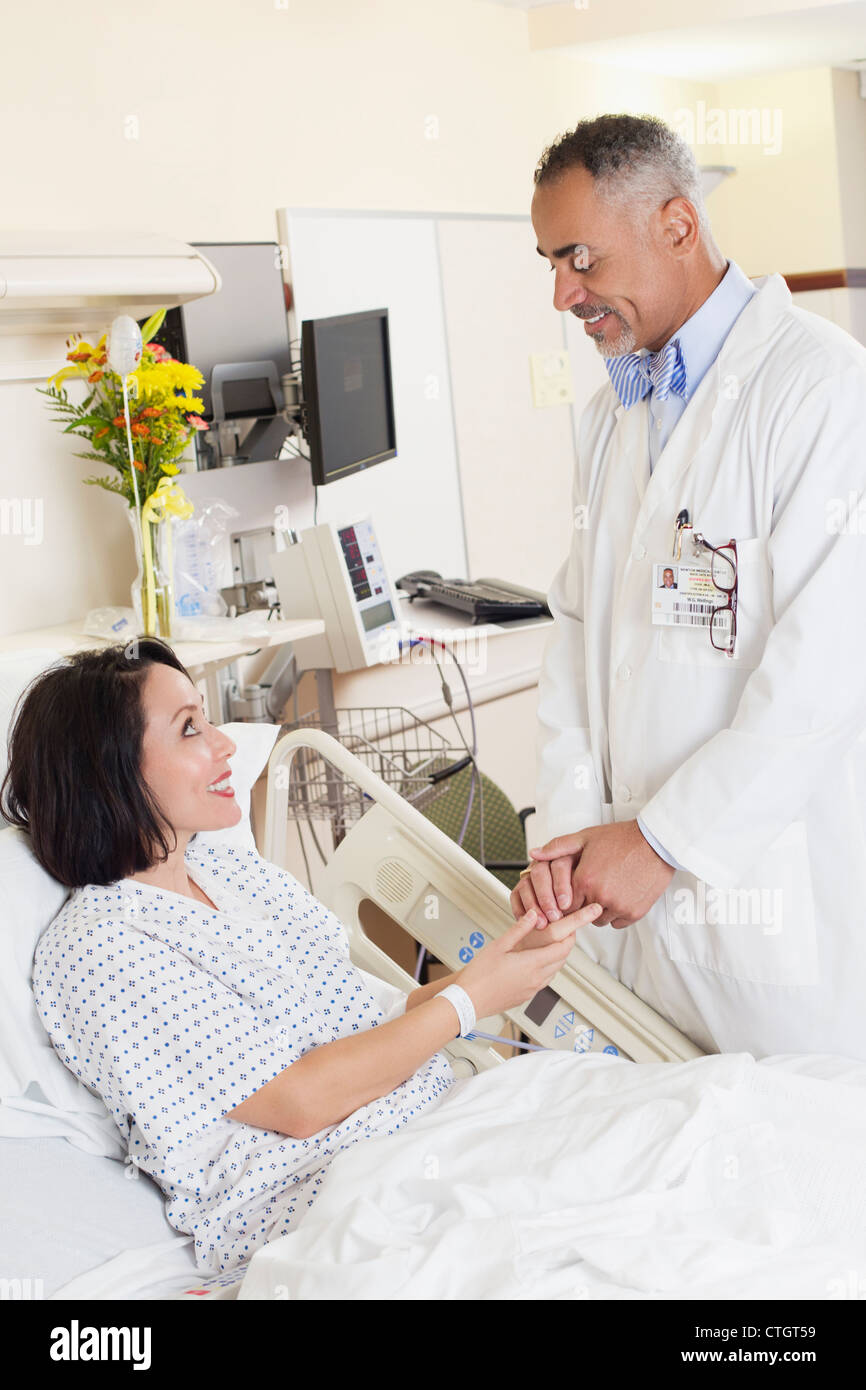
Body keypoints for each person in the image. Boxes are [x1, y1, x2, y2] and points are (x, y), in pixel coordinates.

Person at [2, 639, 601, 1274]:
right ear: (111, 772)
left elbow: (372, 1019)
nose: (225, 744)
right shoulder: (99, 948)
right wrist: (468, 1001)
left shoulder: (228, 870)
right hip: (326, 1191)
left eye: (207, 718)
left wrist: (491, 971)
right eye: (189, 730)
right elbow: (297, 1103)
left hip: (433, 1120)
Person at [514, 113, 866, 1060]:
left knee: (791, 1187)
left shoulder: (826, 392)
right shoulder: (608, 418)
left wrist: (665, 842)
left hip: (768, 918)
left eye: (580, 258)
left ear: (677, 224)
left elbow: (827, 671)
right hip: (629, 926)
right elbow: (578, 637)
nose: (562, 292)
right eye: (551, 262)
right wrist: (575, 833)